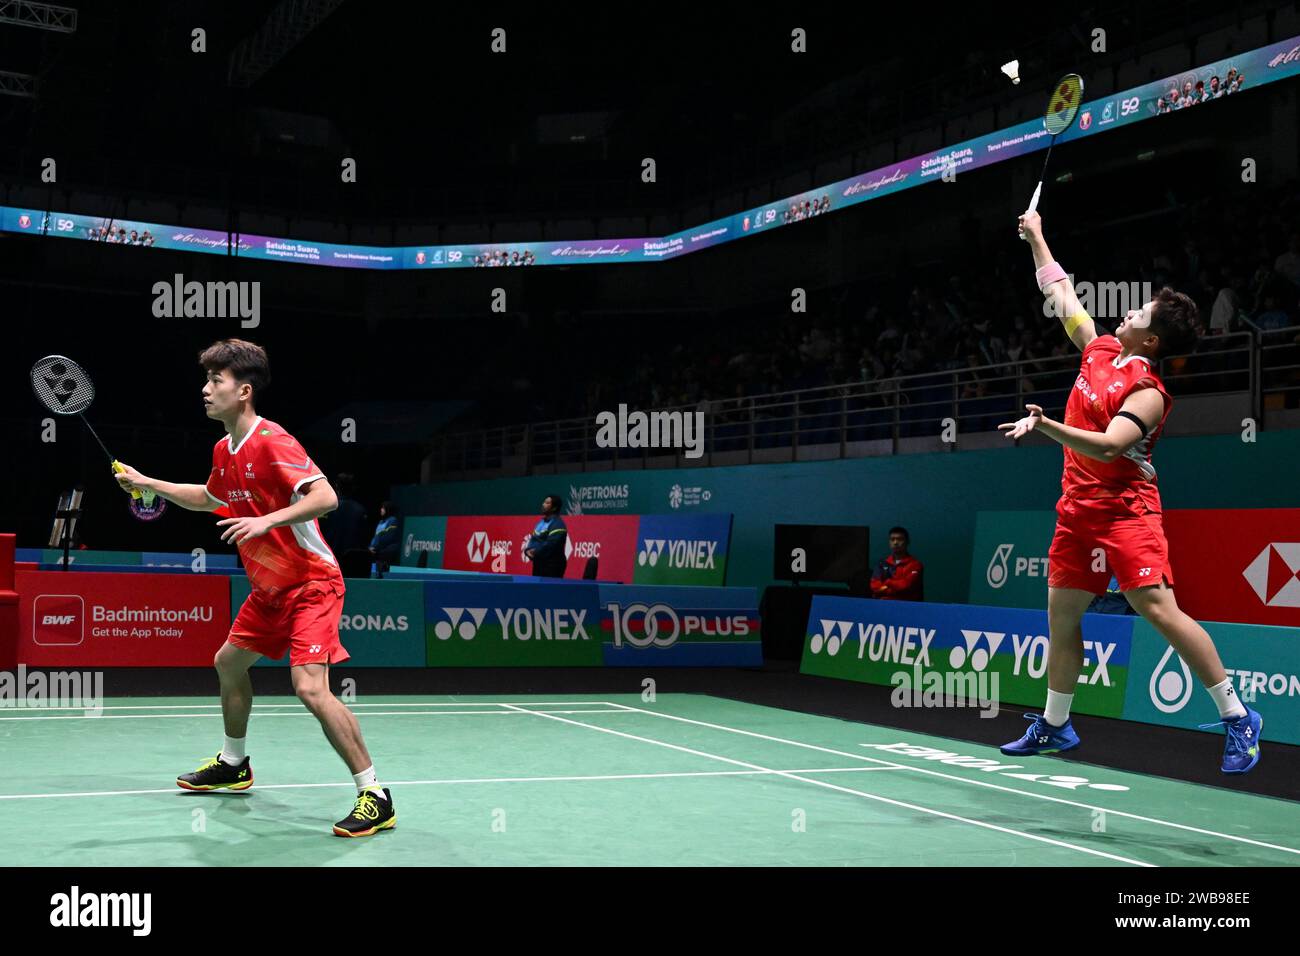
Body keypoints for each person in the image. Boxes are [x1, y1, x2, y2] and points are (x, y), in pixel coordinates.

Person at [1001, 211, 1261, 774]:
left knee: (1158, 610)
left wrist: (1045, 426)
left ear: (1151, 337)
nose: (1127, 310)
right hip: (1076, 513)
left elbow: (1109, 447)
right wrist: (1038, 236)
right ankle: (1055, 725)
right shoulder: (1095, 352)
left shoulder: (1149, 392)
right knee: (1062, 618)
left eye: (1139, 311)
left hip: (1125, 515)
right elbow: (1062, 295)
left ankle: (1238, 715)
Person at [112, 339, 396, 835]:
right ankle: (234, 763)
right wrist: (148, 482)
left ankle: (376, 793)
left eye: (215, 381)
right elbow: (208, 498)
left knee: (310, 687)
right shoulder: (224, 448)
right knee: (229, 662)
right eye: (206, 381)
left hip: (311, 582)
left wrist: (267, 521)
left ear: (243, 391)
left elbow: (326, 496)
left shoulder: (273, 440)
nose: (205, 390)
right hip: (269, 590)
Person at [870, 526, 924, 600]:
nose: (895, 542)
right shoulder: (882, 564)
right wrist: (894, 588)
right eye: (892, 539)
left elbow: (905, 586)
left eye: (900, 539)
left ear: (907, 542)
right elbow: (875, 587)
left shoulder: (915, 565)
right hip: (883, 605)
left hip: (907, 606)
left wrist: (887, 583)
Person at [524, 494, 568, 578]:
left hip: (552, 566)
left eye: (547, 503)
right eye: (544, 502)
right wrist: (527, 550)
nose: (543, 504)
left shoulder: (558, 524)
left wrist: (535, 552)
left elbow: (551, 545)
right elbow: (533, 539)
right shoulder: (540, 523)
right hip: (538, 564)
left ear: (554, 508)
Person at [369, 501, 401, 571]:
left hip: (385, 552)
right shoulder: (380, 522)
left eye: (383, 508)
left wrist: (376, 548)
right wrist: (371, 547)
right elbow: (376, 536)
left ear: (388, 509)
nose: (381, 509)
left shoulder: (393, 520)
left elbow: (388, 537)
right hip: (376, 551)